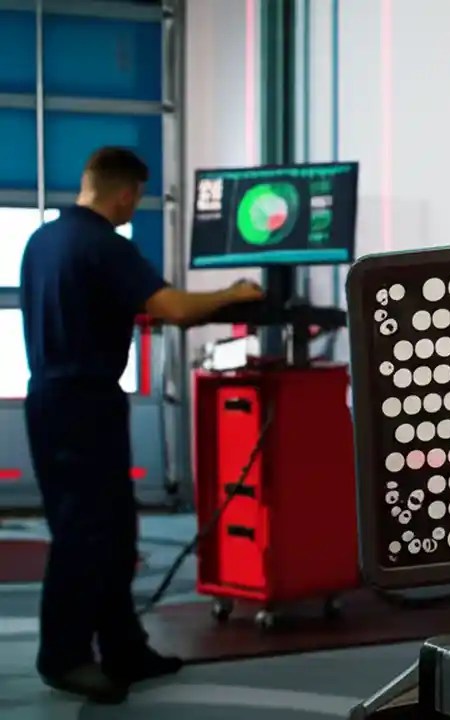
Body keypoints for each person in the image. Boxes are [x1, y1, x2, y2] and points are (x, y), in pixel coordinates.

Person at [19, 147, 265, 704]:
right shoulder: (106, 244)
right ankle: (63, 656)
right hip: (85, 403)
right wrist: (231, 294)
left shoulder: (43, 241)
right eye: (137, 198)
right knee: (86, 535)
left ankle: (124, 646)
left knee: (110, 531)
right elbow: (172, 309)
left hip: (50, 400)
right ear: (126, 192)